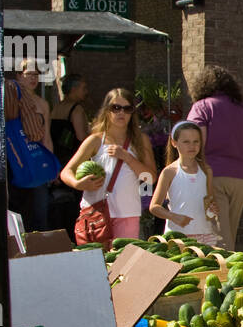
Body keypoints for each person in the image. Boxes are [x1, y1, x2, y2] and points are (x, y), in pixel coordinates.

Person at [185, 64, 243, 249]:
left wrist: (187, 174)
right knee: (230, 229)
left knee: (218, 235)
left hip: (213, 176)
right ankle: (231, 269)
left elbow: (196, 141)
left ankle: (225, 274)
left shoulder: (202, 107)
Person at [59, 88, 158, 243]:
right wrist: (78, 184)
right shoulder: (95, 140)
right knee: (95, 262)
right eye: (116, 108)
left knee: (123, 262)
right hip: (95, 211)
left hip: (127, 212)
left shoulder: (140, 140)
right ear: (107, 110)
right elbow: (66, 171)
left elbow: (149, 178)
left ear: (132, 113)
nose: (121, 113)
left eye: (127, 109)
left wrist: (127, 157)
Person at [149, 121, 219, 245]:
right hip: (178, 235)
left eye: (196, 141)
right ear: (174, 143)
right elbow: (154, 207)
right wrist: (174, 216)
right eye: (186, 141)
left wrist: (213, 209)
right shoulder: (169, 172)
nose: (191, 146)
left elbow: (210, 201)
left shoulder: (206, 170)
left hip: (206, 234)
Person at [5, 59, 54, 231]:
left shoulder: (43, 104)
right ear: (19, 76)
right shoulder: (11, 101)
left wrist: (51, 166)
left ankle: (40, 249)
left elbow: (46, 136)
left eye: (36, 75)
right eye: (29, 74)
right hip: (16, 162)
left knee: (40, 211)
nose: (33, 78)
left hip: (37, 160)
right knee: (18, 210)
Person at [50, 73, 90, 167]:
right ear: (73, 89)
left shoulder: (57, 107)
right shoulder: (76, 109)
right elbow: (81, 137)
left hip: (57, 157)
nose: (86, 92)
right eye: (83, 88)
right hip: (71, 159)